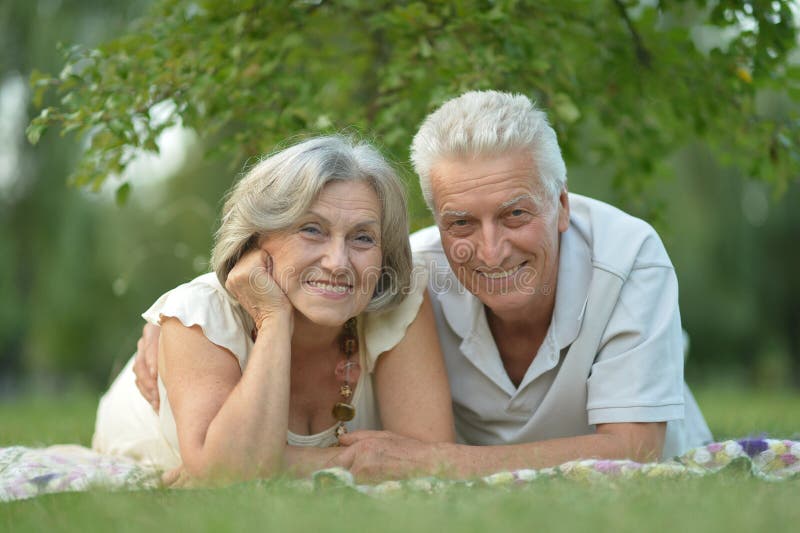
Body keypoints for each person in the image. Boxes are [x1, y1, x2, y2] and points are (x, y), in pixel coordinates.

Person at [135, 91, 713, 480]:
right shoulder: (405, 272)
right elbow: (257, 296)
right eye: (461, 222)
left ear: (561, 205)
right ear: (436, 224)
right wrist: (167, 334)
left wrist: (436, 461)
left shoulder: (632, 257)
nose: (490, 250)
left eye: (515, 214)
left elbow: (635, 448)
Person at [92, 135, 455, 484]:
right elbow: (228, 476)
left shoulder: (397, 304)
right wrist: (273, 318)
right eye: (312, 230)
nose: (338, 261)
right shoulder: (199, 313)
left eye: (362, 237)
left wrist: (252, 464)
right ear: (257, 240)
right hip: (135, 446)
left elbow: (427, 459)